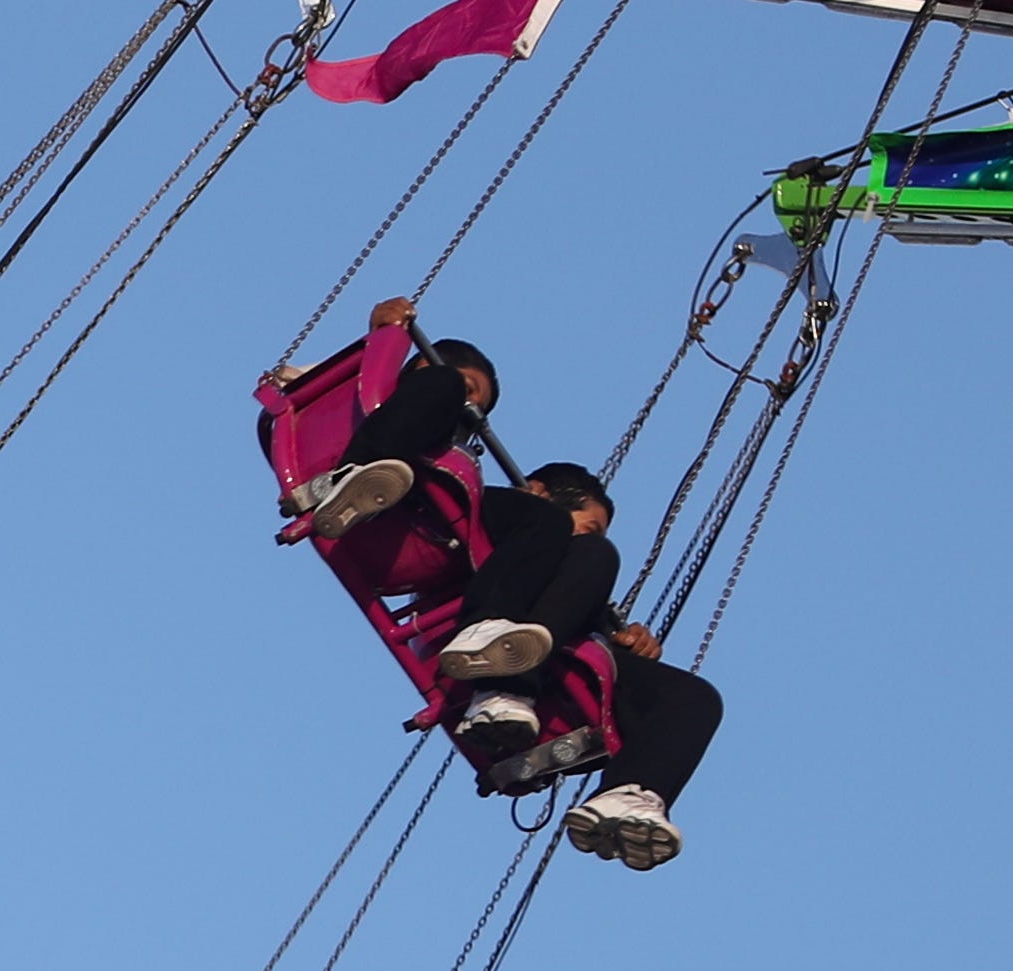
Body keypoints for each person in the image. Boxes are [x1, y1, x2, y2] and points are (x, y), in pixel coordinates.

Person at [424, 461, 724, 872]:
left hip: (563, 647)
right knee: (595, 554)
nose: (587, 538)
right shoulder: (508, 517)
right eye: (588, 524)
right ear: (539, 492)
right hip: (493, 628)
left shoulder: (574, 563)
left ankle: (631, 791)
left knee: (694, 697)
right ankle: (508, 684)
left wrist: (620, 642)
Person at [285, 294, 505, 542]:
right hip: (356, 462)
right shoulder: (366, 395)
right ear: (423, 367)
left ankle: (359, 487)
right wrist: (384, 334)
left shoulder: (448, 463)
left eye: (472, 418)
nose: (464, 411)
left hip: (414, 518)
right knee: (446, 383)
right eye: (467, 392)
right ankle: (350, 476)